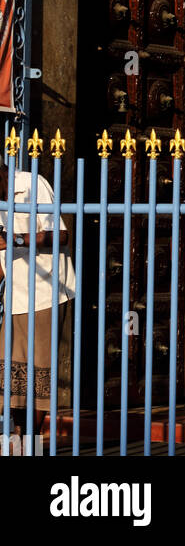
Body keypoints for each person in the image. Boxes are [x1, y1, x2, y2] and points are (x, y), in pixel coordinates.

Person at [0, 157, 75, 444]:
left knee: (38, 374)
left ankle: (28, 443)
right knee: (13, 374)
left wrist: (15, 239)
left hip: (46, 293)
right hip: (15, 294)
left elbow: (62, 234)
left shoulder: (32, 185)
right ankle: (20, 442)